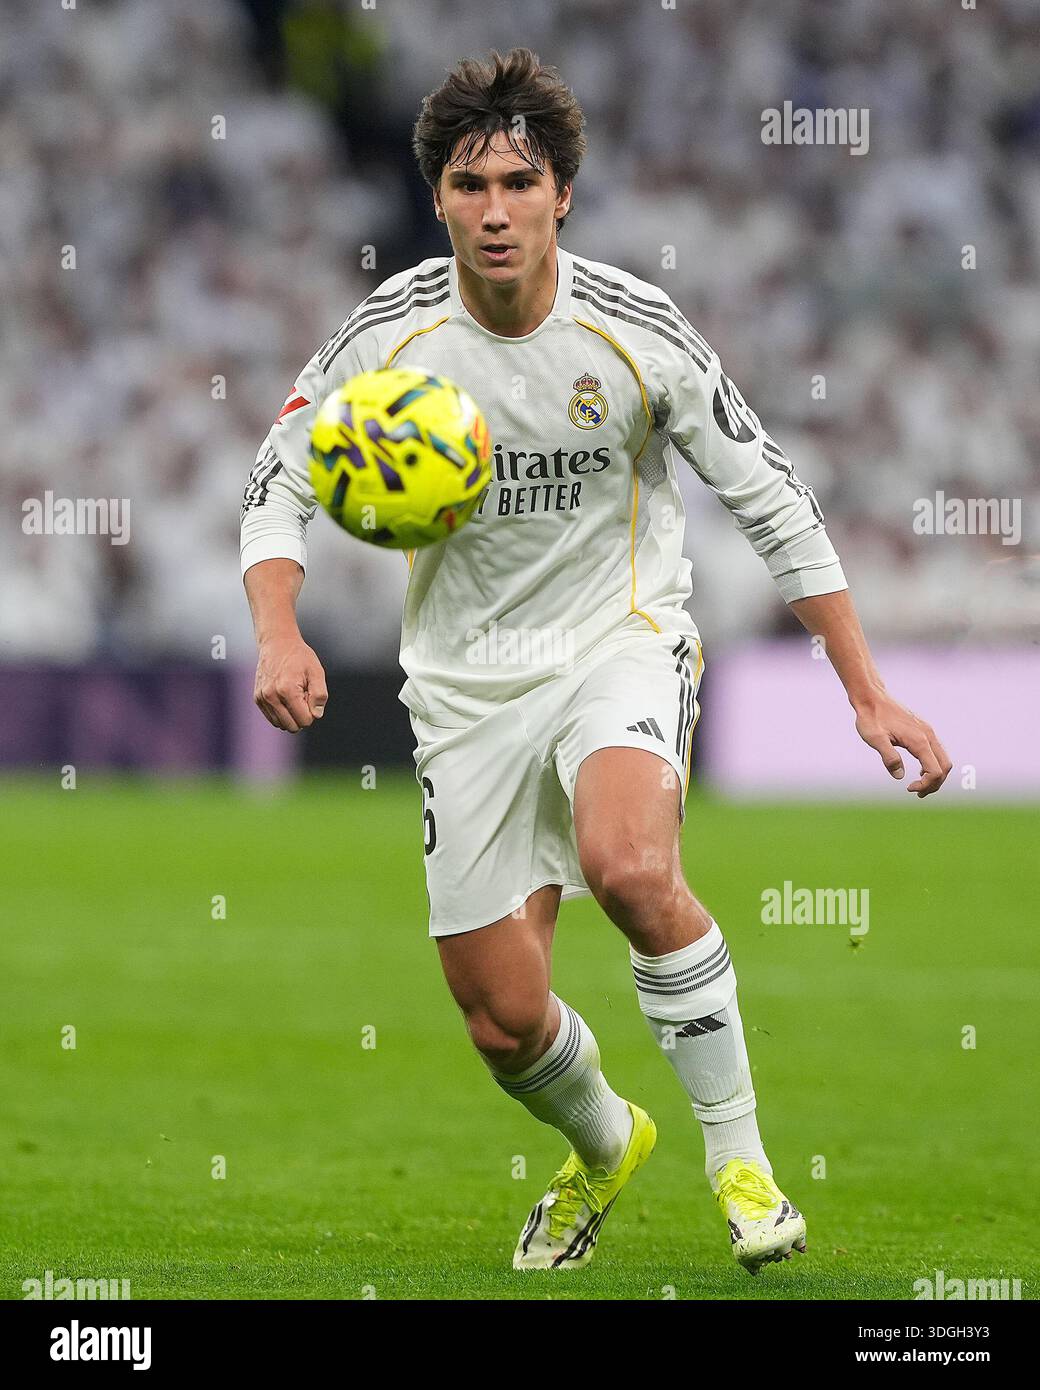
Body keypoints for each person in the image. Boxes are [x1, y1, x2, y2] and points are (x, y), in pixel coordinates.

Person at [240, 48, 952, 1274]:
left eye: (521, 181)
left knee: (629, 866)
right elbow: (273, 485)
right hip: (463, 688)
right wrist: (277, 627)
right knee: (500, 1019)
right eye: (471, 185)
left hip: (613, 643)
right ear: (439, 200)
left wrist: (864, 687)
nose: (497, 208)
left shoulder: (635, 331)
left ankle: (743, 1169)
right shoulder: (387, 335)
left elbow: (771, 500)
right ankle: (605, 1138)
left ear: (562, 192)